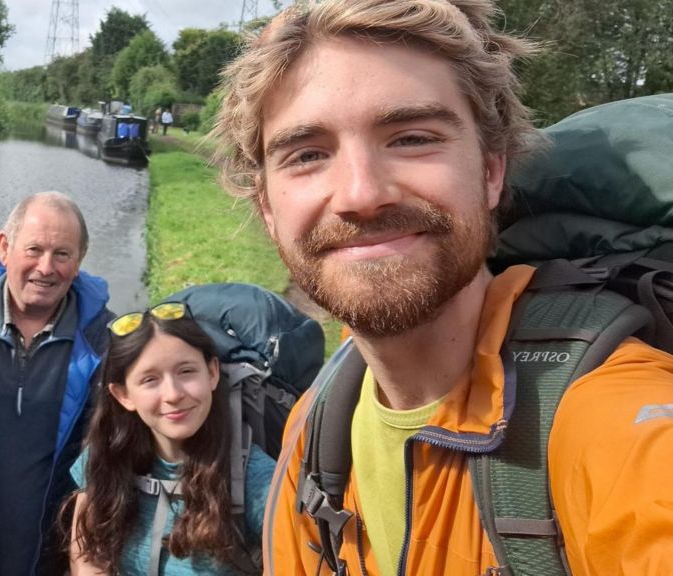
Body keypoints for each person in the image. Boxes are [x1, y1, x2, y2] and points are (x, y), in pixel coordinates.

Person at [211, 1, 673, 575]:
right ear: (268, 208)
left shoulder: (608, 416)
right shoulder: (315, 428)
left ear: (490, 171)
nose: (361, 193)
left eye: (411, 138)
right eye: (307, 155)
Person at [0, 191, 113, 576]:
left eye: (63, 254)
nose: (46, 267)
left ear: (80, 260)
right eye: (34, 249)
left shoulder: (107, 344)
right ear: (4, 247)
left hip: (53, 557)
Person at [67, 303, 275, 575]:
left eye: (186, 371)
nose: (173, 394)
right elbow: (87, 556)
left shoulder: (257, 479)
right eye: (150, 380)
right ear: (123, 395)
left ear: (212, 373)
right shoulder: (104, 457)